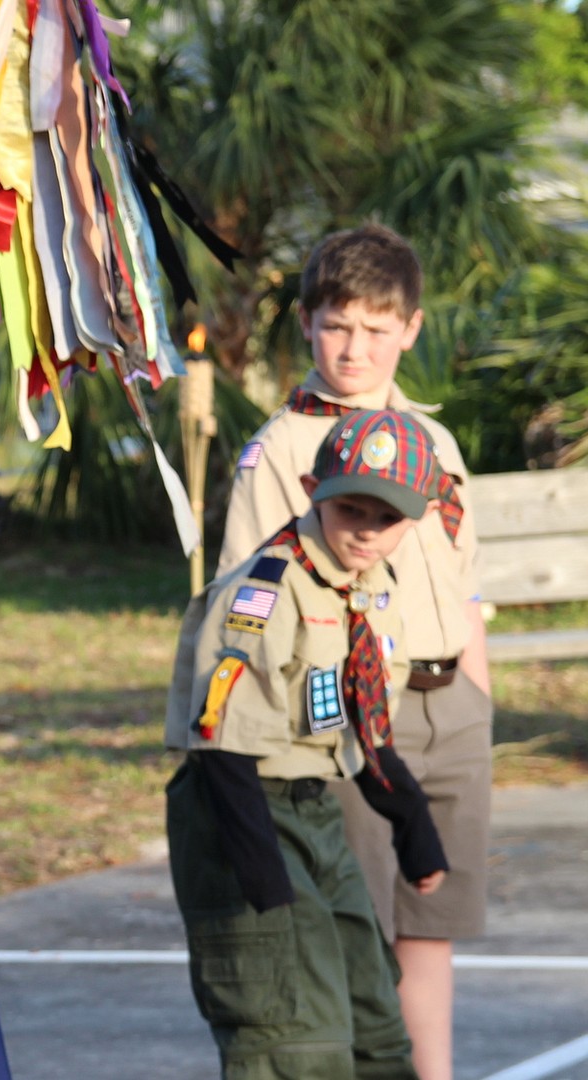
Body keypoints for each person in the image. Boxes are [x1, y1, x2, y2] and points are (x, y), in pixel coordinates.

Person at [218, 224, 488, 1080]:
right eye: (337, 325)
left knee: (431, 923)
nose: (355, 349)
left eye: (377, 329)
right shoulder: (285, 453)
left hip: (452, 709)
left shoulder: (433, 444)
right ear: (306, 323)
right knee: (359, 927)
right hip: (356, 714)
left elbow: (463, 583)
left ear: (410, 328)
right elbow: (249, 613)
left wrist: (477, 702)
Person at [166, 409, 453, 1078]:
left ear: (418, 518)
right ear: (311, 487)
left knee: (373, 1020)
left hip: (315, 811)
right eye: (352, 509)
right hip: (242, 812)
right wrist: (266, 885)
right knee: (293, 1036)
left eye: (389, 519)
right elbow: (221, 751)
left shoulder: (373, 589)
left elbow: (367, 721)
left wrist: (411, 824)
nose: (368, 531)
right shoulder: (264, 592)